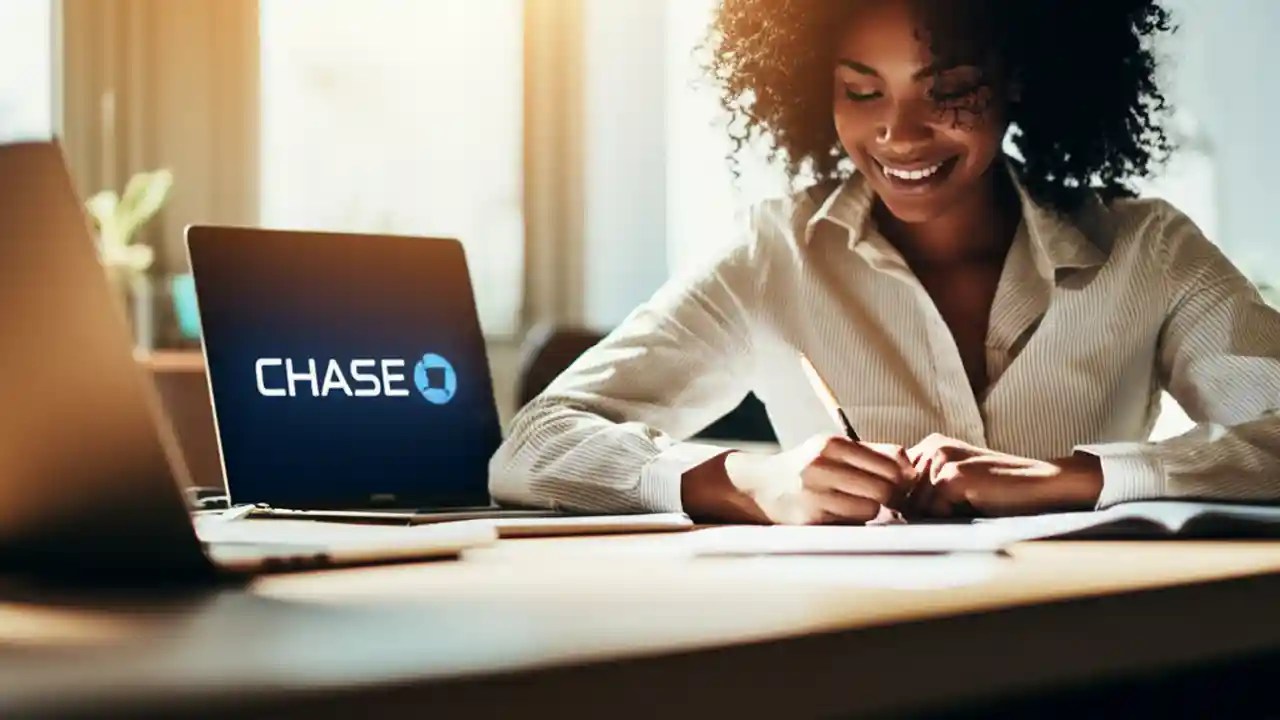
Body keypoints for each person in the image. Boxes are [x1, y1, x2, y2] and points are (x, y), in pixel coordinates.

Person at [490, 0, 1280, 524]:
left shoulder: (1148, 250)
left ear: (1018, 77)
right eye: (862, 92)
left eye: (949, 90)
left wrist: (1075, 478)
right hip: (853, 661)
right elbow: (533, 445)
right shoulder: (774, 255)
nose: (899, 134)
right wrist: (754, 483)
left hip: (1097, 650)